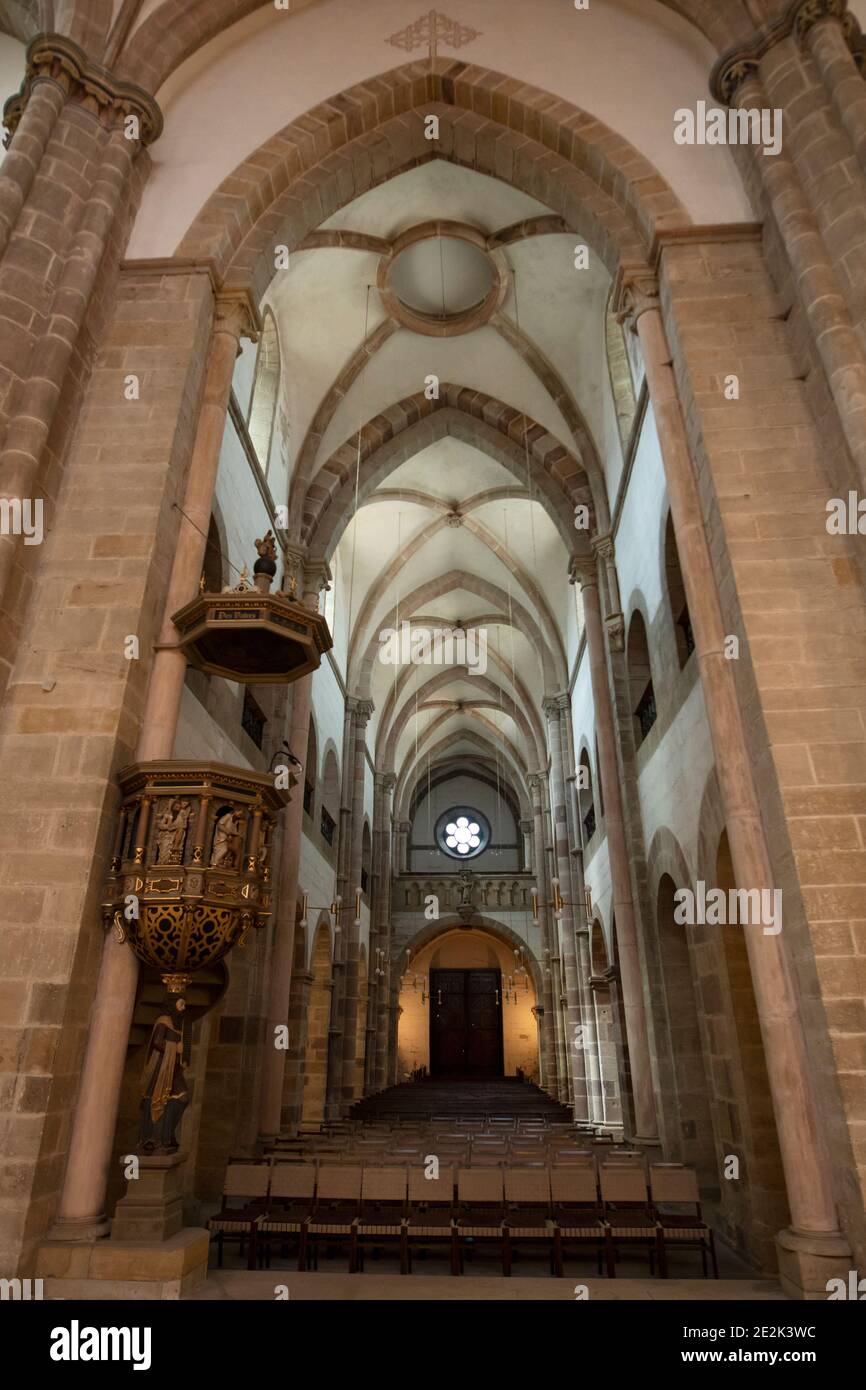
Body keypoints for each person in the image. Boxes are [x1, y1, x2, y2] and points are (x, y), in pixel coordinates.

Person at [139, 996, 189, 1154]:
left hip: (173, 1067)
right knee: (156, 1097)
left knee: (182, 1098)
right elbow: (156, 1043)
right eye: (181, 1004)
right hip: (161, 1067)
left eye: (184, 1004)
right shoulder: (164, 1021)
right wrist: (172, 1052)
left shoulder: (177, 1023)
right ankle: (153, 1138)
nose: (183, 1007)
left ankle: (166, 1135)